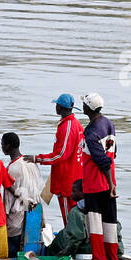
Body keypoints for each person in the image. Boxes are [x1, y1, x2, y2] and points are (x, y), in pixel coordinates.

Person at [79, 92, 120, 260]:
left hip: (95, 184)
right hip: (109, 181)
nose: (82, 107)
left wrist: (109, 183)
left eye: (84, 104)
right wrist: (111, 183)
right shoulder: (109, 124)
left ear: (88, 108)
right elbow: (113, 153)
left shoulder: (91, 131)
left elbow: (100, 159)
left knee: (95, 223)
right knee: (110, 222)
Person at [34, 93, 84, 227]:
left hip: (67, 182)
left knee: (70, 221)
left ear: (61, 107)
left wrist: (37, 159)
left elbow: (60, 155)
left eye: (57, 105)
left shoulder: (68, 126)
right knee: (74, 218)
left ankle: (71, 245)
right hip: (72, 179)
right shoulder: (75, 124)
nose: (55, 107)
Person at [44, 180, 125, 257]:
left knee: (61, 236)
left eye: (74, 191)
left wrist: (67, 252)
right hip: (101, 247)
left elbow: (76, 237)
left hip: (86, 249)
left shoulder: (76, 212)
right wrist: (119, 254)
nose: (71, 194)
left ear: (84, 193)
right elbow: (116, 233)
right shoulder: (105, 208)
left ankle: (50, 256)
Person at [2, 132, 45, 257]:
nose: (2, 147)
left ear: (8, 146)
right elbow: (38, 190)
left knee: (13, 253)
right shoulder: (31, 162)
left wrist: (3, 218)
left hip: (16, 219)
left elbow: (8, 199)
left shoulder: (11, 169)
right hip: (34, 215)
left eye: (3, 144)